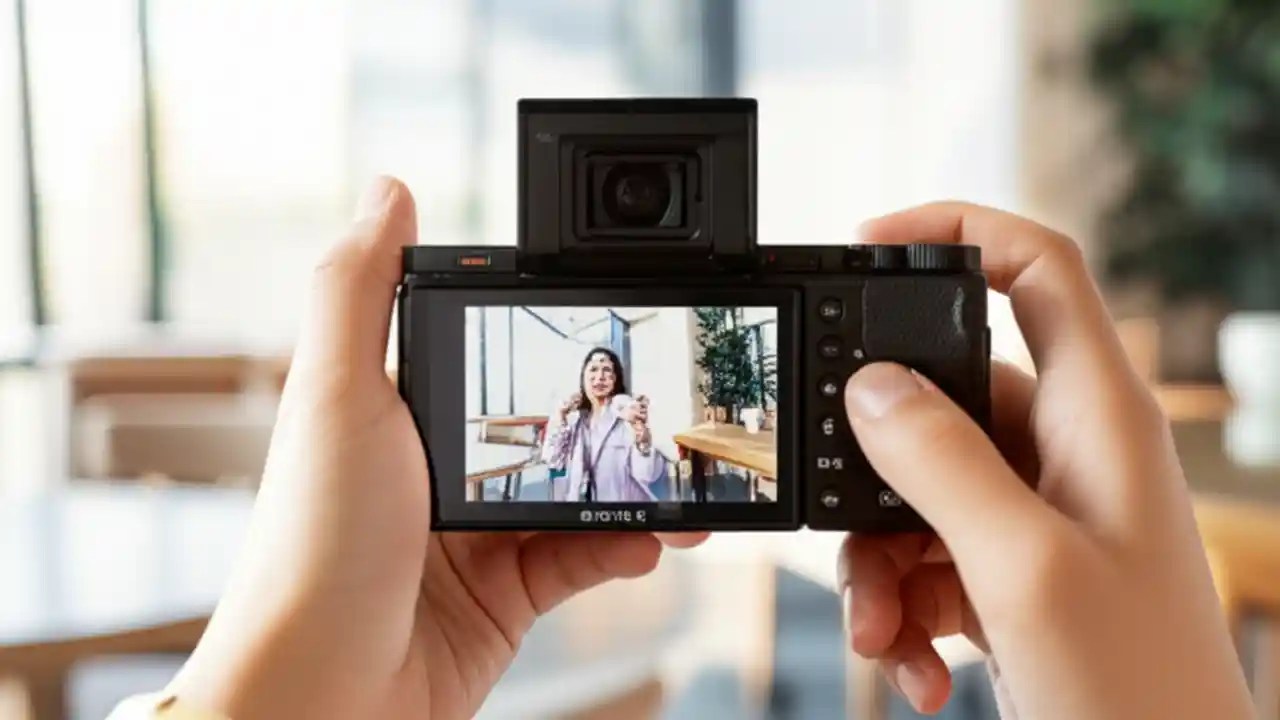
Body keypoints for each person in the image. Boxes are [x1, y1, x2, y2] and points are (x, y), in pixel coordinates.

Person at [110, 178, 1252, 720]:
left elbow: (655, 491)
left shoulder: (639, 419)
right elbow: (564, 481)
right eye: (597, 370)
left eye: (610, 371)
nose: (602, 377)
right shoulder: (569, 413)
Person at [540, 347, 661, 502]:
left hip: (623, 513)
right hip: (581, 513)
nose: (600, 377)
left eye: (606, 370)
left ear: (615, 378)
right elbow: (552, 461)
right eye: (594, 370)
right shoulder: (575, 420)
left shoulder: (626, 413)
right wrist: (561, 416)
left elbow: (648, 475)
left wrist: (643, 442)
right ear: (583, 377)